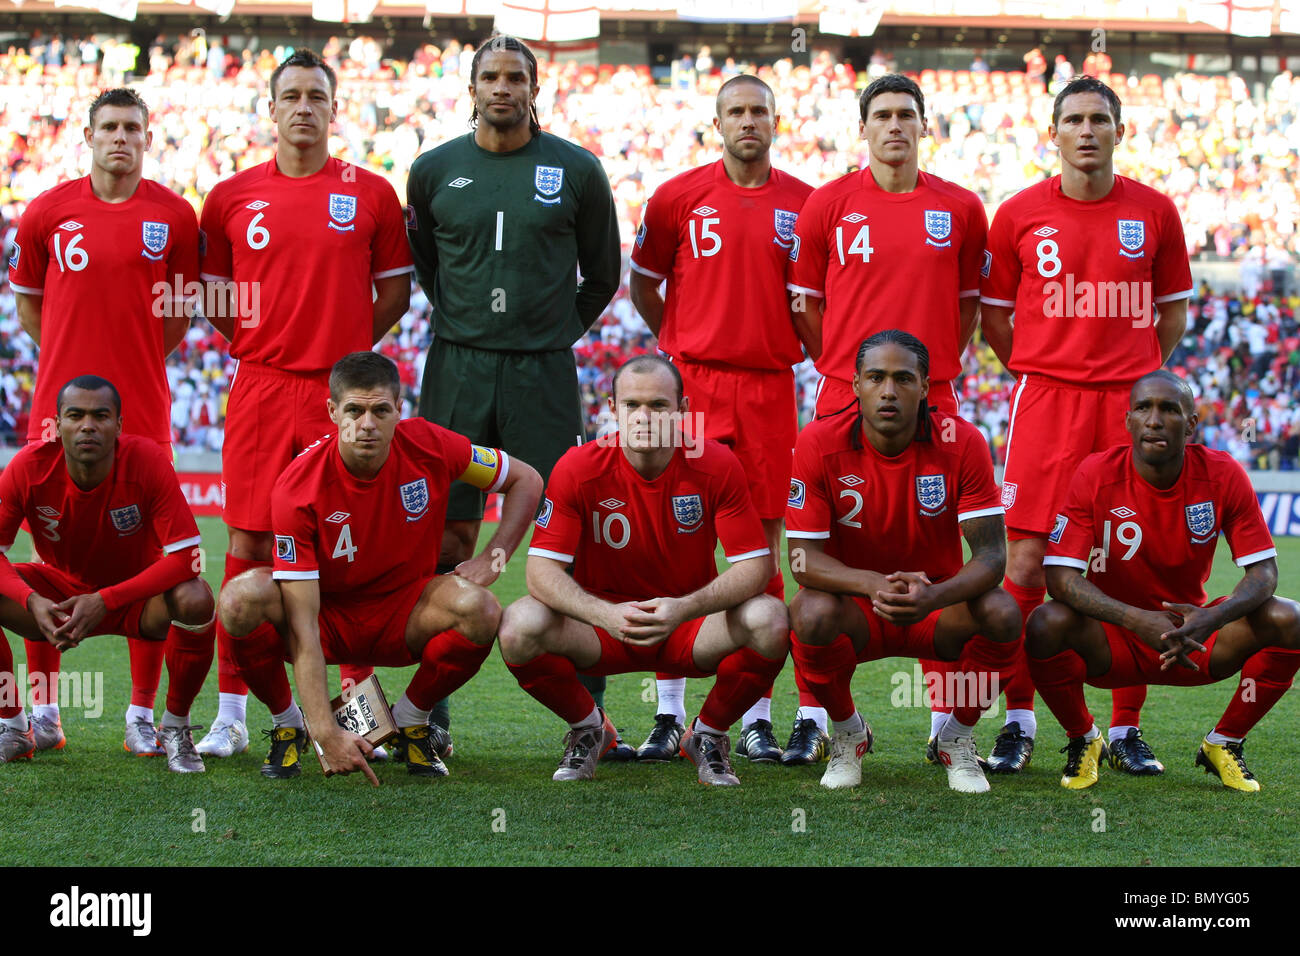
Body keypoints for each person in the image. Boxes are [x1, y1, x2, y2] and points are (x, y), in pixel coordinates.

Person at [197, 48, 413, 760]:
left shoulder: (373, 193)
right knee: (250, 547)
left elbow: (394, 295)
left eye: (315, 95)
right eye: (289, 95)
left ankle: (361, 720)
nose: (302, 107)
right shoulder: (229, 197)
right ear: (271, 108)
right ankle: (234, 712)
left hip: (343, 395)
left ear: (334, 107)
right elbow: (217, 300)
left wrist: (343, 358)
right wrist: (266, 345)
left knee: (354, 555)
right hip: (261, 388)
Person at [405, 34, 620, 742]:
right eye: (491, 76)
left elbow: (603, 274)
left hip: (543, 372)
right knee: (442, 532)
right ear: (471, 88)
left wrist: (552, 331)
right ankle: (428, 714)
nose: (503, 87)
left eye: (515, 77)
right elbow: (430, 269)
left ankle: (587, 715)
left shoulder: (577, 169)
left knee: (572, 530)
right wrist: (472, 324)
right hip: (458, 365)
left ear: (534, 88)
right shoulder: (434, 169)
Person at [979, 75, 1193, 775]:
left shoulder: (1157, 212)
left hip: (1125, 407)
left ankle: (1126, 728)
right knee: (1026, 564)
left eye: (1100, 119)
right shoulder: (1015, 215)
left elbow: (1171, 314)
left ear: (1119, 132)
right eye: (1074, 120)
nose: (1087, 130)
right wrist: (1046, 369)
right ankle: (1020, 722)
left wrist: (1135, 384)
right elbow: (995, 319)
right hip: (1047, 403)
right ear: (1055, 133)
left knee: (1130, 567)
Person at [215, 352, 542, 781]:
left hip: (404, 611)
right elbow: (303, 627)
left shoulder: (430, 443)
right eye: (354, 410)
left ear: (398, 410)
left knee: (481, 608)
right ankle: (288, 725)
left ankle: (409, 719)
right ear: (332, 412)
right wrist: (325, 731)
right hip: (327, 616)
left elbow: (527, 480)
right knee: (238, 600)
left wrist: (492, 559)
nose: (367, 424)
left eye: (380, 410)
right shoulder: (297, 487)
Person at [785, 73, 988, 757]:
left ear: (924, 125)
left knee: (934, 553)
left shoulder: (960, 207)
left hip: (934, 398)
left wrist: (934, 375)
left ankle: (945, 718)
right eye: (883, 115)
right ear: (863, 128)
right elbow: (807, 305)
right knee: (825, 555)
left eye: (907, 114)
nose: (895, 125)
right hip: (845, 396)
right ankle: (821, 717)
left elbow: (966, 307)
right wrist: (841, 367)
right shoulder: (827, 205)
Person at [628, 74, 821, 765]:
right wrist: (679, 345)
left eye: (758, 112)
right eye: (735, 112)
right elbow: (644, 284)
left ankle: (756, 715)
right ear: (717, 123)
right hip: (695, 385)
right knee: (673, 545)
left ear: (777, 121)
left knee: (765, 554)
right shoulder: (678, 196)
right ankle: (668, 712)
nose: (748, 121)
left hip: (769, 387)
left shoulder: (806, 204)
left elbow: (815, 299)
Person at [6, 87, 204, 757]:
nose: (121, 137)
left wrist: (134, 357)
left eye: (133, 127)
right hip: (54, 417)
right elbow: (32, 309)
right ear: (87, 137)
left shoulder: (176, 217)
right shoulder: (46, 212)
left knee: (152, 557)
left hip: (142, 412)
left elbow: (175, 320)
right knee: (49, 562)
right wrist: (72, 365)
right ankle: (43, 713)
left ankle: (139, 715)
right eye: (110, 127)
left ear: (148, 138)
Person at [497, 356, 789, 785]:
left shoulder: (717, 463)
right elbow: (541, 570)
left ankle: (707, 734)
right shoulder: (578, 466)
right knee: (519, 624)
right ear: (612, 410)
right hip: (605, 627)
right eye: (632, 405)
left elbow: (755, 566)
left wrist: (684, 608)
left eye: (658, 405)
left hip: (689, 627)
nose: (644, 417)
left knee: (770, 619)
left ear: (683, 409)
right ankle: (589, 727)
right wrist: (605, 615)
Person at [1028, 371, 1300, 790]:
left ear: (1191, 424)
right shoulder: (1095, 473)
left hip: (1193, 636)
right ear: (1129, 421)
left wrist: (1213, 618)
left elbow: (1264, 573)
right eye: (1143, 408)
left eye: (1169, 410)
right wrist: (1135, 619)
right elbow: (1060, 577)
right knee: (1044, 623)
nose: (1154, 420)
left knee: (1290, 618)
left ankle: (1224, 742)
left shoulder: (1223, 474)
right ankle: (1085, 739)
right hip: (1114, 640)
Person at [785, 331, 1020, 793]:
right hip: (858, 607)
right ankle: (848, 733)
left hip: (937, 607)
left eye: (902, 378)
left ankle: (957, 736)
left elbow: (993, 557)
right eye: (876, 377)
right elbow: (801, 559)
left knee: (1003, 611)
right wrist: (871, 583)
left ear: (926, 387)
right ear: (854, 385)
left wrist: (934, 593)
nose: (888, 391)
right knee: (808, 611)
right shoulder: (818, 442)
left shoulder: (963, 441)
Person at [0, 377, 215, 772]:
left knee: (196, 598)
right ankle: (14, 726)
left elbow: (186, 559)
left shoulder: (147, 460)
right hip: (61, 593)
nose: (87, 426)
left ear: (118, 425)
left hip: (135, 597)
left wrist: (105, 600)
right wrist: (31, 599)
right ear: (57, 422)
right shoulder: (27, 468)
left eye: (100, 416)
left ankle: (174, 726)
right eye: (75, 415)